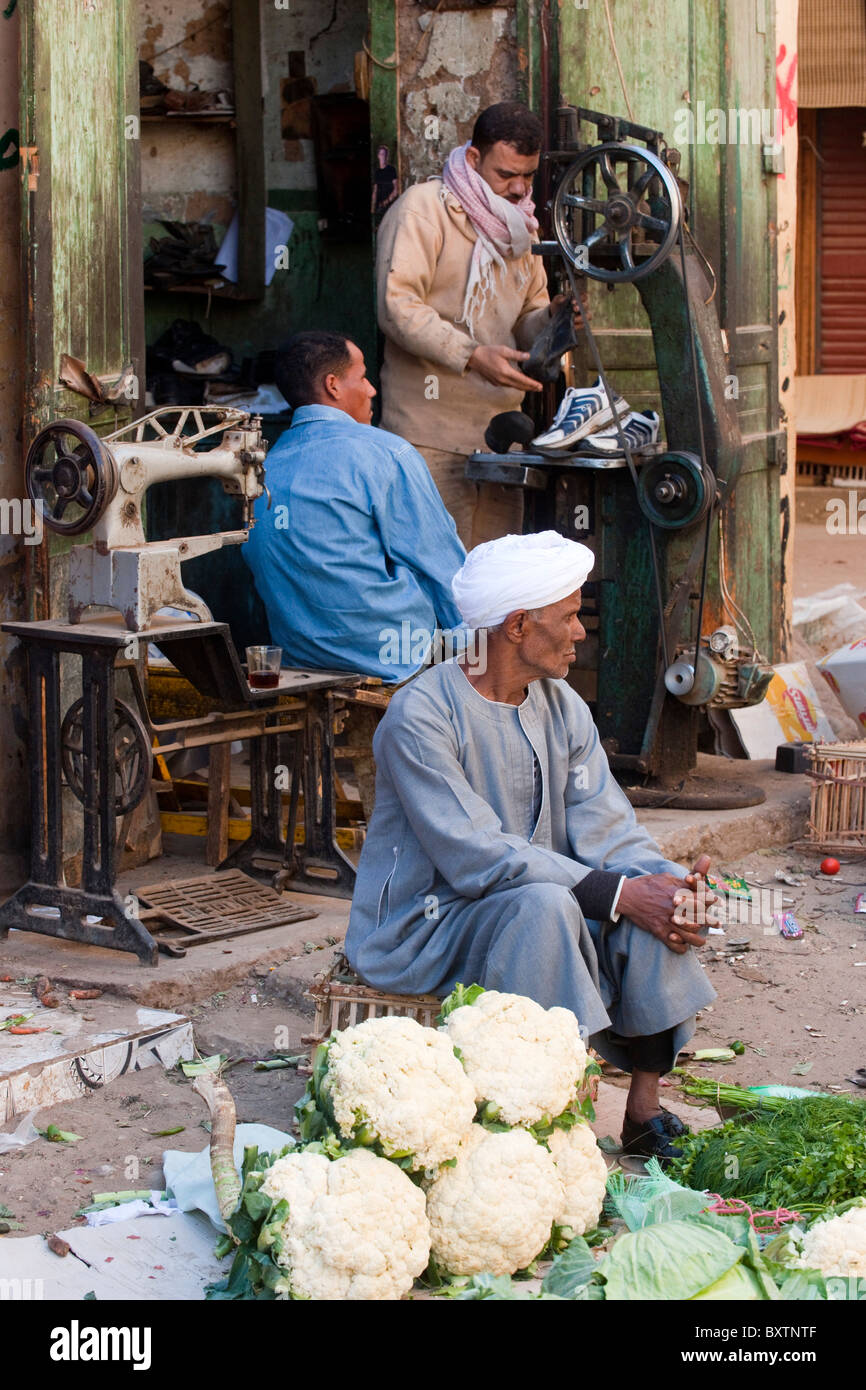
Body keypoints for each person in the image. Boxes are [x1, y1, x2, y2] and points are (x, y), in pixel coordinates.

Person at [345, 531, 719, 1160]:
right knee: (550, 905)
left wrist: (668, 882)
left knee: (644, 901)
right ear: (519, 625)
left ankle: (644, 1113)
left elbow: (608, 829)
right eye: (570, 616)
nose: (580, 633)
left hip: (543, 899)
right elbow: (479, 857)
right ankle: (555, 1118)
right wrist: (623, 895)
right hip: (429, 925)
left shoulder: (562, 706)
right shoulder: (421, 716)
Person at [376, 102, 581, 549]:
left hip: (501, 441)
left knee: (492, 583)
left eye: (527, 176)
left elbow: (525, 322)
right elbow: (397, 307)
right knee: (438, 579)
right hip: (427, 437)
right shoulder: (423, 211)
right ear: (473, 159)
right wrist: (471, 355)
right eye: (506, 174)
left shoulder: (519, 230)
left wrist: (554, 319)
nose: (519, 187)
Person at [243, 331, 466, 683]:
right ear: (333, 386)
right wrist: (478, 654)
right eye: (362, 377)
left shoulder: (261, 471)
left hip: (301, 661)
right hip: (398, 660)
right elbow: (446, 572)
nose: (372, 389)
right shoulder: (387, 454)